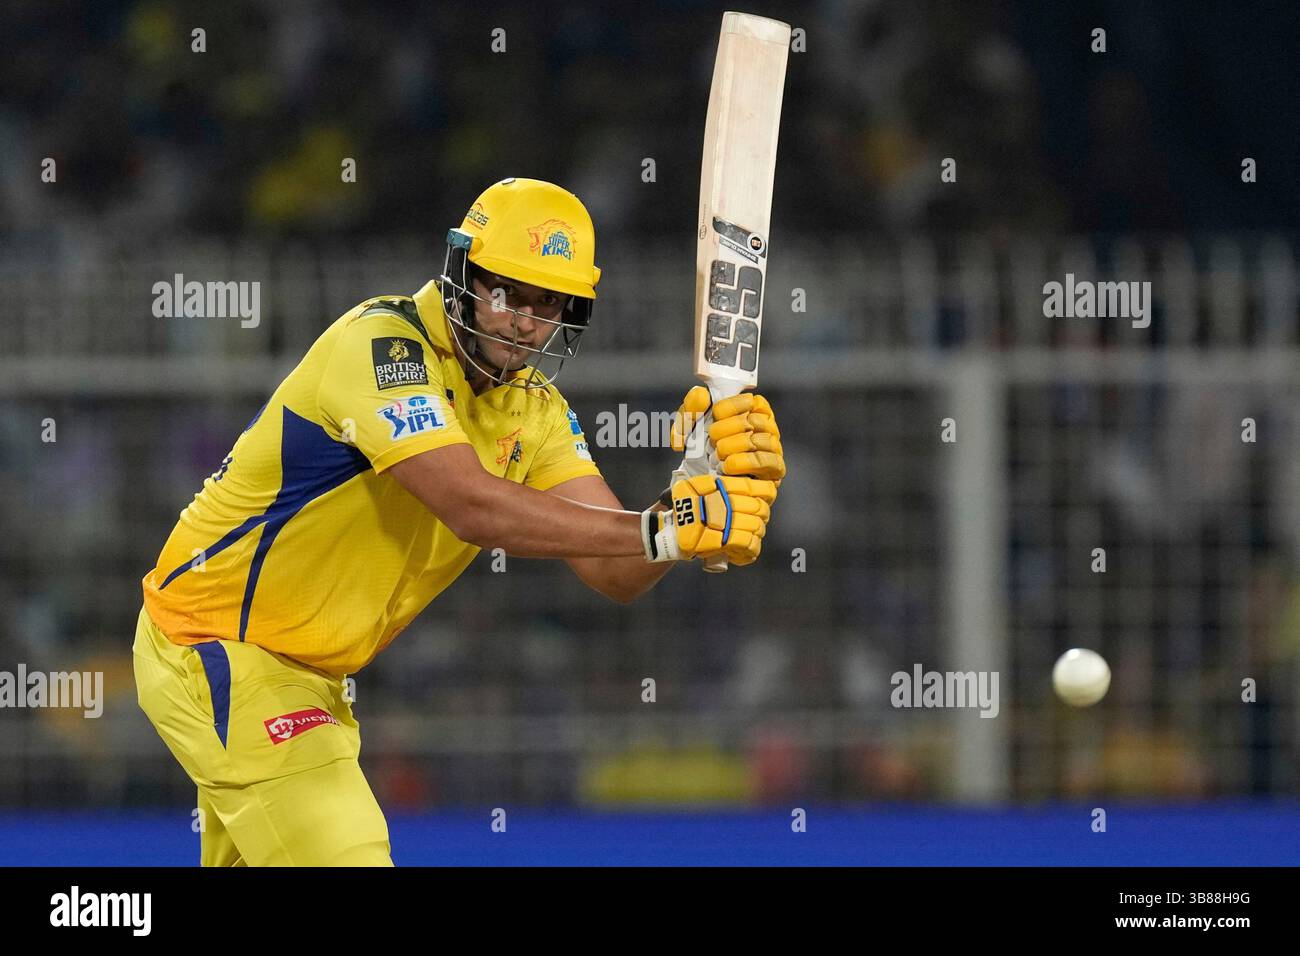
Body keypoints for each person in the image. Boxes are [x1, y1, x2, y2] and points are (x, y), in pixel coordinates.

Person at [132, 177, 787, 865]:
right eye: (508, 291)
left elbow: (611, 569)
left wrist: (681, 497)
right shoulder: (383, 347)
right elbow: (469, 505)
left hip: (305, 674)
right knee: (350, 853)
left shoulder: (534, 409)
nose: (526, 319)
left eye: (548, 302)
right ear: (463, 274)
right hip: (212, 647)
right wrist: (665, 529)